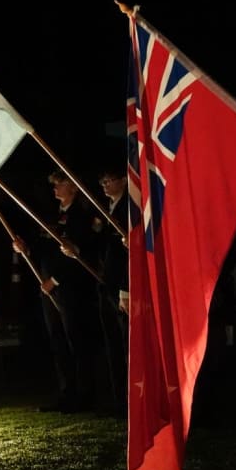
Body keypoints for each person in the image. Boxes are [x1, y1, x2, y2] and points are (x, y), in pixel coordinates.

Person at [13, 169, 105, 413]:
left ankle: (85, 395)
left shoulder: (82, 216)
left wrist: (55, 279)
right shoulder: (53, 215)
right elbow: (45, 248)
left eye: (60, 183)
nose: (55, 188)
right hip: (49, 287)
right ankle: (67, 393)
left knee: (77, 339)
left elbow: (81, 253)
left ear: (73, 187)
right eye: (53, 184)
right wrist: (26, 250)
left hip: (71, 289)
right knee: (58, 340)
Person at [96, 163, 129, 416]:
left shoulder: (129, 207)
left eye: (109, 180)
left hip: (122, 286)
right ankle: (119, 399)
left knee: (126, 343)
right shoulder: (105, 209)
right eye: (103, 182)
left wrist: (125, 288)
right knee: (112, 344)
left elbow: (128, 255)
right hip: (107, 283)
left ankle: (130, 400)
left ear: (123, 180)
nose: (105, 185)